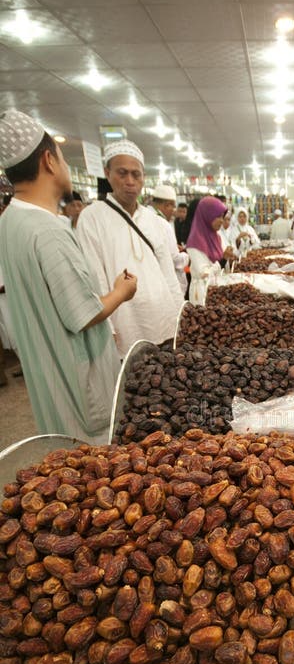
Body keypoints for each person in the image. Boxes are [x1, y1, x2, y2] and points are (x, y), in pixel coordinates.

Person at [0, 110, 137, 442]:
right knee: (90, 461)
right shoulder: (47, 231)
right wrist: (121, 291)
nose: (64, 164)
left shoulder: (10, 221)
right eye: (61, 157)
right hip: (77, 381)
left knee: (62, 454)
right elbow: (83, 314)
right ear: (48, 161)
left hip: (47, 373)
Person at [76, 140, 183, 357]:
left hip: (163, 319)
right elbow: (95, 275)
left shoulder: (153, 220)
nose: (130, 181)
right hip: (125, 322)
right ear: (108, 173)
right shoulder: (92, 217)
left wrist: (180, 315)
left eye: (136, 174)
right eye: (122, 173)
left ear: (144, 177)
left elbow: (168, 273)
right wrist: (108, 326)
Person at [186, 196, 227, 304]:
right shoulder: (195, 241)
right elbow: (204, 274)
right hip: (201, 293)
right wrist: (223, 261)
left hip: (216, 290)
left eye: (222, 217)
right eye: (218, 216)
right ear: (207, 215)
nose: (221, 220)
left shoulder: (217, 237)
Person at [149, 183, 189, 295]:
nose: (174, 211)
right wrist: (187, 257)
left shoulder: (144, 218)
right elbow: (175, 260)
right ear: (167, 205)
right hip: (166, 285)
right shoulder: (163, 223)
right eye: (173, 207)